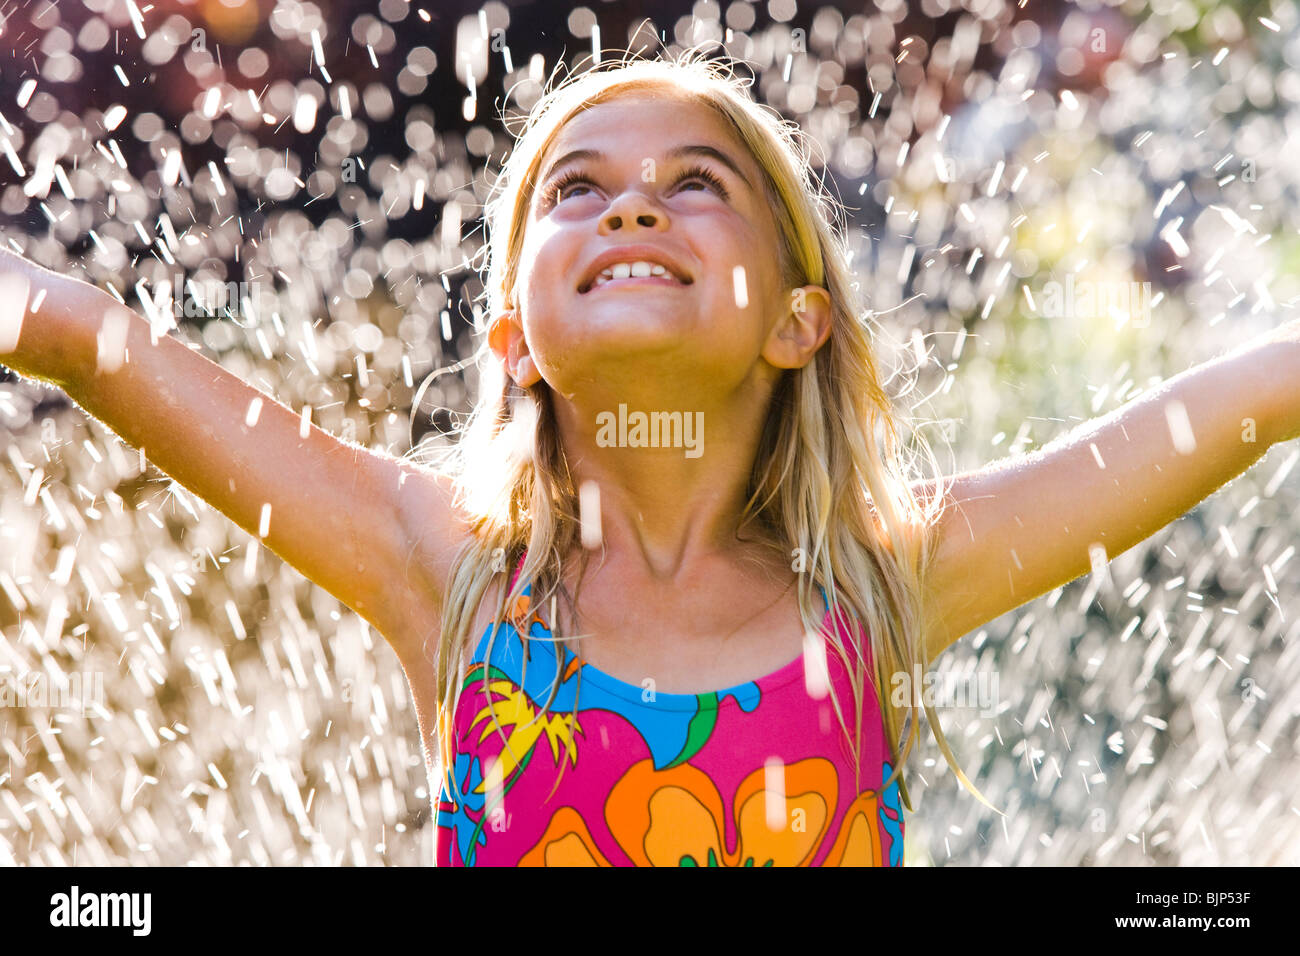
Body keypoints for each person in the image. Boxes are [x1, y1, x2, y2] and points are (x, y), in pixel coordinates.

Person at [1, 53, 1296, 867]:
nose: (631, 204)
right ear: (514, 336)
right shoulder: (450, 575)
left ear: (800, 319)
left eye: (694, 183)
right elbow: (88, 344)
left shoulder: (879, 585)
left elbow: (1228, 403)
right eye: (576, 189)